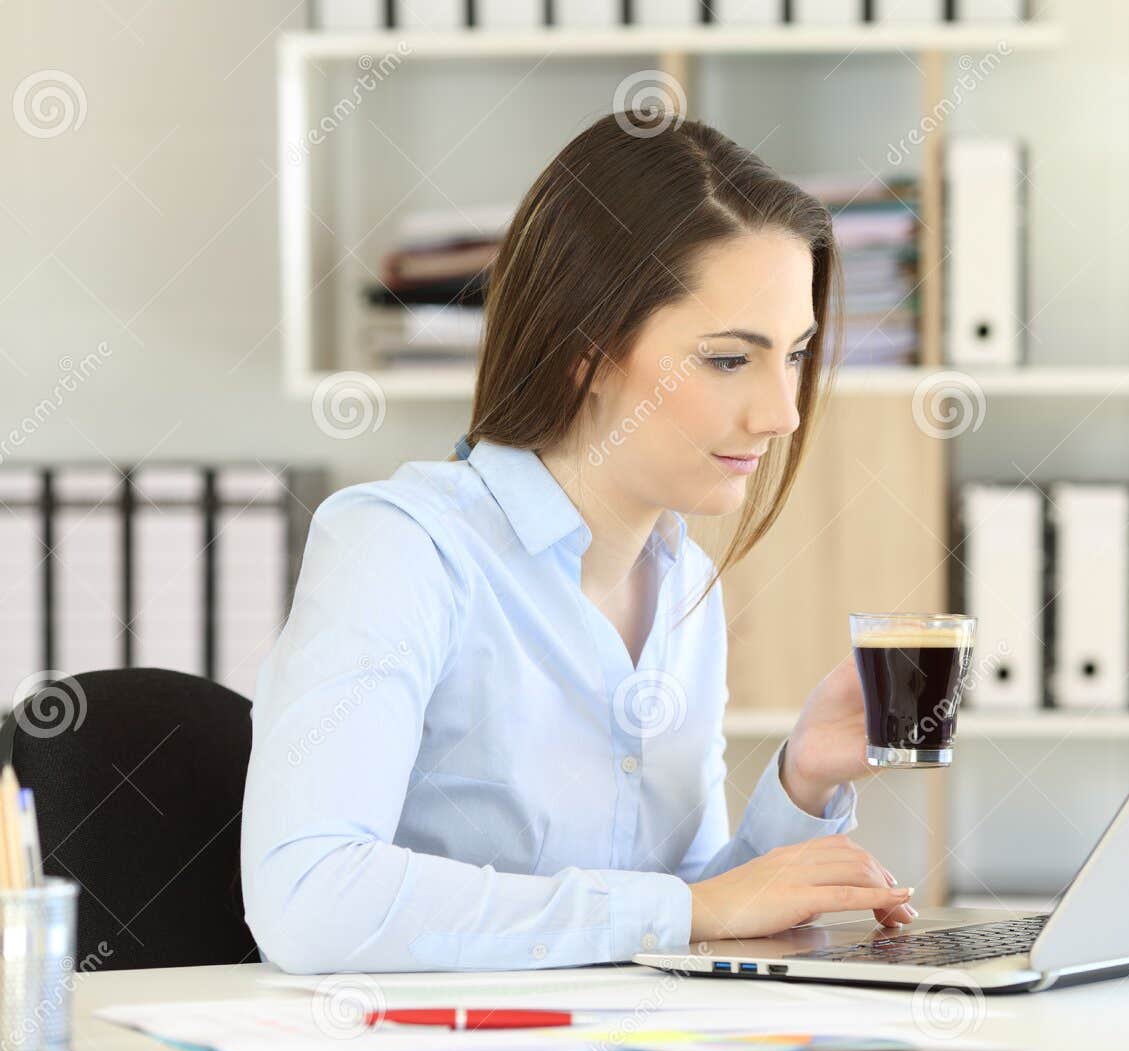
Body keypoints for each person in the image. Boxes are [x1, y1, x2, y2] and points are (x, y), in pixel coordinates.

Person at [239, 109, 916, 973]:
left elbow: (686, 910)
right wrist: (691, 907)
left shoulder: (681, 583)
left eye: (795, 354)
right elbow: (308, 898)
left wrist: (802, 782)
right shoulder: (402, 550)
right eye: (727, 359)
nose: (782, 411)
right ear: (587, 351)